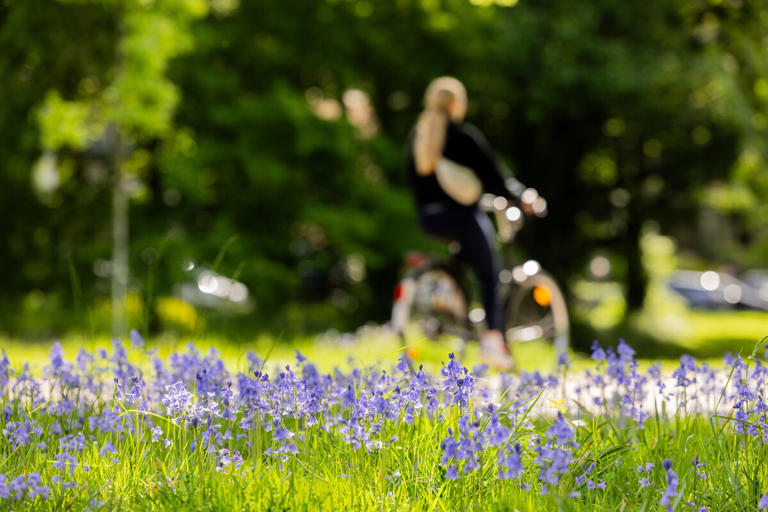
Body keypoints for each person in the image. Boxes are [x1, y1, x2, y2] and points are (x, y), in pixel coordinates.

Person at [405, 76, 525, 368]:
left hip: (429, 219)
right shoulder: (463, 137)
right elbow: (494, 177)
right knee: (490, 274)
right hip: (462, 216)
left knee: (464, 258)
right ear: (457, 104)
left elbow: (411, 181)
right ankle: (492, 340)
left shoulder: (418, 136)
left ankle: (448, 293)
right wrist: (520, 197)